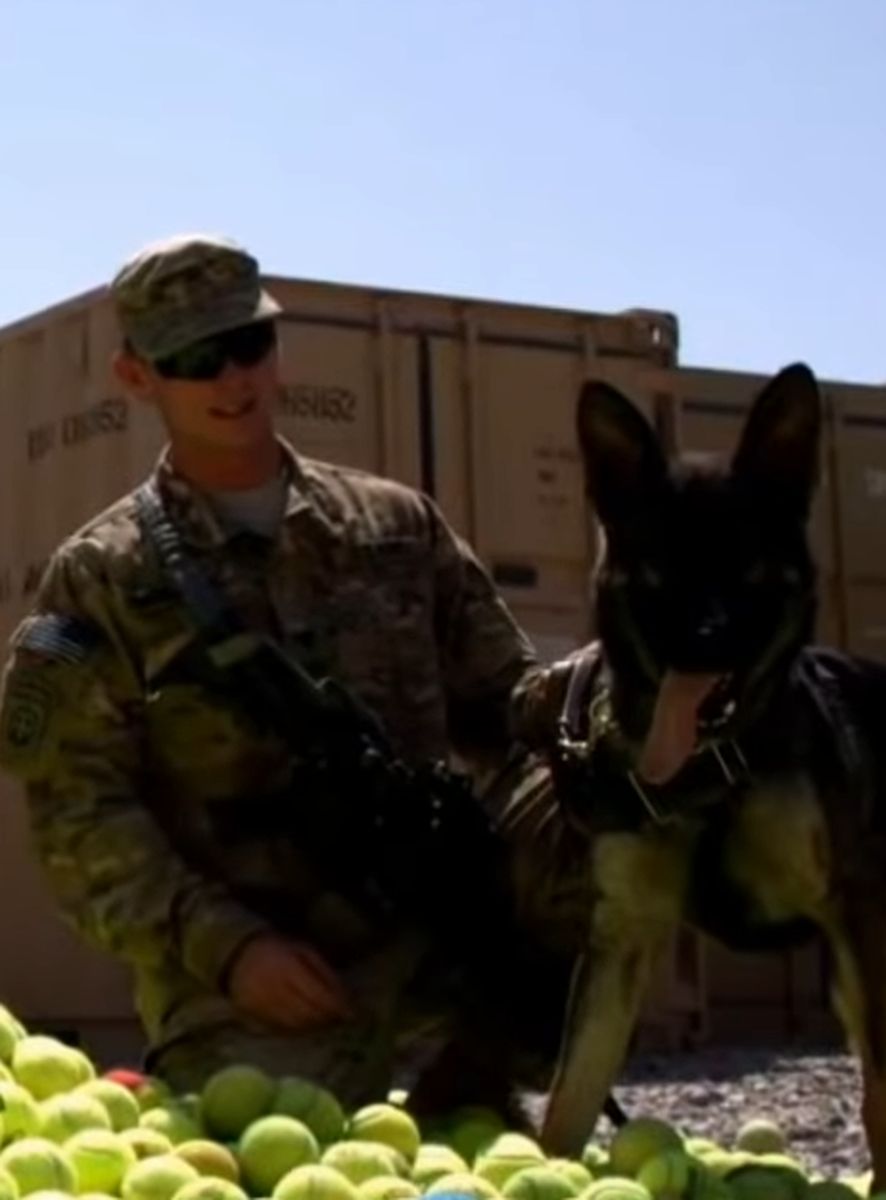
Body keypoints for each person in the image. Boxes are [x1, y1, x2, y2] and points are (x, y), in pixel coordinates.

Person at [0, 232, 559, 1105]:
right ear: (137, 377)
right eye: (193, 359)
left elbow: (516, 717)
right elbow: (78, 815)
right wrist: (224, 944)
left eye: (247, 345)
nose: (231, 379)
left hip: (441, 973)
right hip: (251, 1004)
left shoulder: (395, 529)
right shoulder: (103, 576)